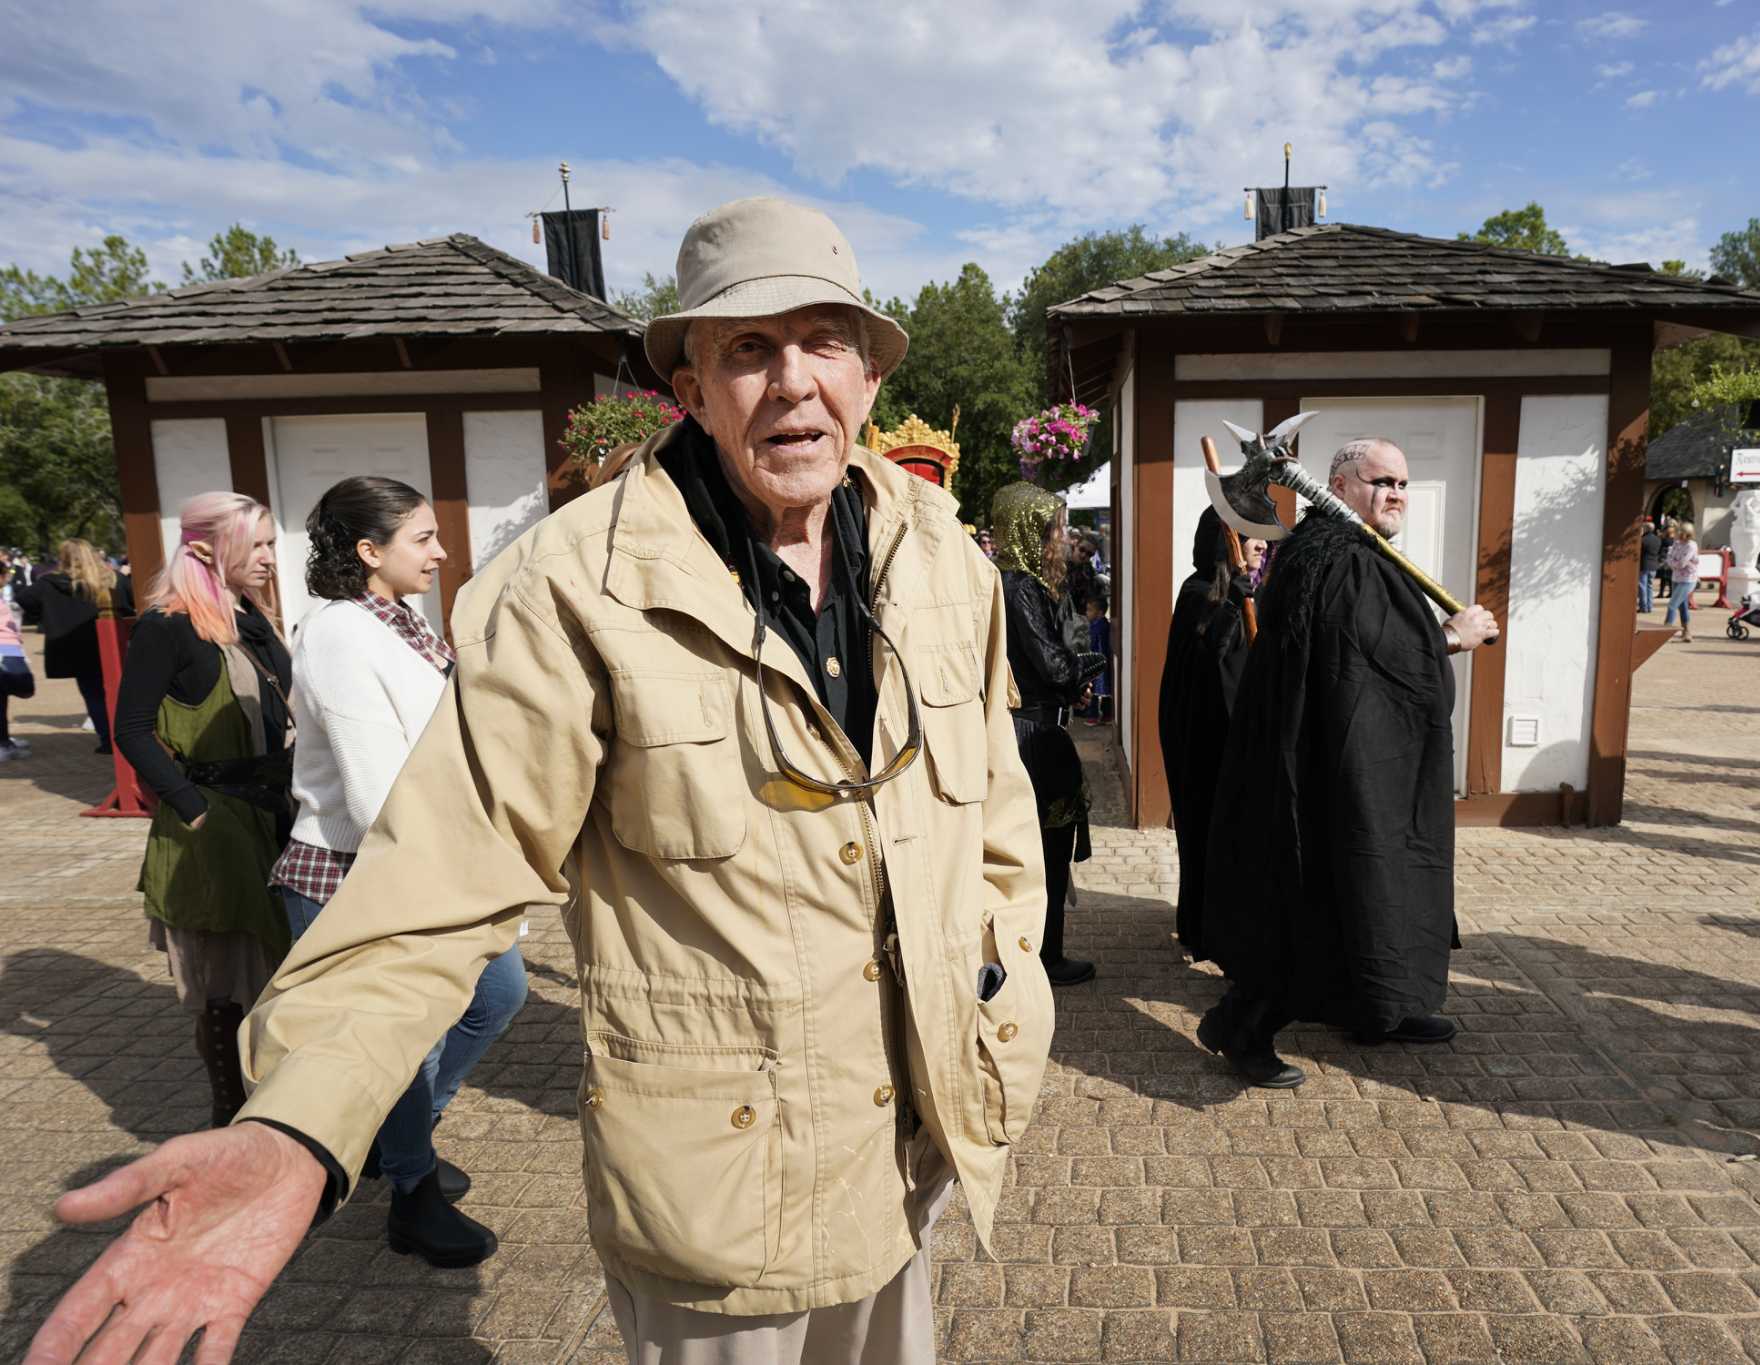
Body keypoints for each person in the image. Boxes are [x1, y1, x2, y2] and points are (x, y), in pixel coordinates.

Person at [30, 197, 1054, 1365]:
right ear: (690, 383)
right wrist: (296, 1127)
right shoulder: (571, 588)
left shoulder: (937, 555)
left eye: (825, 342)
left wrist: (1002, 980)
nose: (791, 383)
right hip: (731, 1188)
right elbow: (436, 875)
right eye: (746, 349)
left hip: (921, 1127)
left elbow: (993, 811)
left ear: (869, 374)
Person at [276, 475, 525, 1267]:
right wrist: (476, 864)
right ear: (368, 550)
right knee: (401, 1040)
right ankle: (410, 1199)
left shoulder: (398, 621)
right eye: (422, 537)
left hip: (421, 856)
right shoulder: (341, 633)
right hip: (358, 873)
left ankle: (398, 1136)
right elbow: (377, 790)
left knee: (497, 993)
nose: (441, 550)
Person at [1197, 437, 1496, 1089]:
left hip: (1345, 757)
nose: (1395, 492)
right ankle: (1240, 1030)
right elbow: (1368, 657)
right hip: (1323, 765)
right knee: (1307, 894)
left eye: (1404, 483)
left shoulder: (1348, 549)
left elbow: (1366, 654)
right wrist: (1452, 636)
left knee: (1362, 889)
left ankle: (1378, 1007)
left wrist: (1436, 640)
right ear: (1338, 481)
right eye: (1380, 479)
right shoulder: (1337, 555)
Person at [111, 492, 294, 1131]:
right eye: (258, 545)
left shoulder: (251, 617)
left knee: (274, 975)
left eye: (272, 543)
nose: (271, 558)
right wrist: (190, 807)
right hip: (214, 830)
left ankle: (279, 1111)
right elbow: (131, 729)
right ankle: (231, 1122)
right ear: (204, 548)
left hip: (272, 816)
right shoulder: (168, 626)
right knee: (226, 986)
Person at [994, 479, 1103, 988]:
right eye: (1055, 527)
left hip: (1031, 726)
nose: (1062, 537)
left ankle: (1037, 950)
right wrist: (1087, 665)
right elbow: (1054, 666)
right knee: (1045, 850)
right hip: (1031, 737)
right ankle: (1042, 956)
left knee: (1039, 847)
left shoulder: (1014, 584)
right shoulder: (1020, 587)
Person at [1159, 508, 1252, 963]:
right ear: (1226, 546)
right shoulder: (1197, 593)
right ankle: (1201, 930)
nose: (1261, 547)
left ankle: (1220, 927)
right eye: (1250, 538)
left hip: (1231, 738)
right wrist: (1235, 605)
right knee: (1204, 837)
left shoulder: (1243, 595)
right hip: (1203, 741)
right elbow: (1216, 658)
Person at [17, 538, 117, 751]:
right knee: (119, 691)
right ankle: (126, 738)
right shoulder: (109, 579)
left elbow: (24, 598)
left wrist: (43, 615)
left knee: (94, 694)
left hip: (74, 647)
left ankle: (108, 740)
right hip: (110, 643)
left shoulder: (48, 583)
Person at [0, 592, 31, 760]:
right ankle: (3, 744)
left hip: (7, 648)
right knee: (21, 685)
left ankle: (4, 740)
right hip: (4, 648)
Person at [1662, 521, 1699, 642]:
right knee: (1682, 606)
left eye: (1680, 531)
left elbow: (1682, 562)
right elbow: (1669, 558)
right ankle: (1687, 632)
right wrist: (1674, 563)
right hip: (1676, 577)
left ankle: (1665, 631)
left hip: (1688, 579)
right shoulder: (1676, 543)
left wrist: (1675, 563)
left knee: (1672, 605)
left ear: (1687, 534)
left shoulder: (1691, 545)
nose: (1678, 533)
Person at [1081, 593, 1114, 724]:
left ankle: (1093, 716)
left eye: (1089, 610)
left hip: (1095, 663)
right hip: (1105, 663)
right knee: (1106, 693)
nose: (1086, 613)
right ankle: (1107, 716)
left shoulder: (1095, 627)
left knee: (1093, 691)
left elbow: (1091, 644)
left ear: (1099, 612)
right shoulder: (1106, 624)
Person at [1637, 515, 1662, 613]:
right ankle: (1650, 606)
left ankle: (1643, 607)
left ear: (1646, 528)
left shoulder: (1643, 540)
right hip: (1654, 565)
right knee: (1650, 587)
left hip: (1644, 565)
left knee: (1642, 586)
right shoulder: (1657, 539)